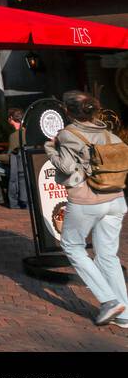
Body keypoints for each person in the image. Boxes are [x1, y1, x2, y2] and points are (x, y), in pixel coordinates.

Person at [45, 90, 128, 327]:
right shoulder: (111, 135)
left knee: (72, 246)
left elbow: (66, 166)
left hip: (87, 200)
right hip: (116, 200)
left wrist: (50, 147)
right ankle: (124, 316)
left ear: (67, 111)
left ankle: (109, 301)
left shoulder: (68, 135)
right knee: (108, 256)